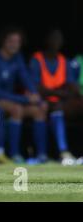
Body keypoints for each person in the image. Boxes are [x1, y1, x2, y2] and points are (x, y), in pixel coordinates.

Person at [0, 27, 48, 164]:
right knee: (16, 109)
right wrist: (24, 99)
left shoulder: (17, 58)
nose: (14, 44)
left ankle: (42, 155)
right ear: (3, 42)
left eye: (18, 41)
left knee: (39, 110)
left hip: (12, 100)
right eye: (11, 41)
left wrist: (37, 98)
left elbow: (26, 78)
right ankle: (10, 154)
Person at [29, 29, 78, 165]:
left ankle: (65, 153)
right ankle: (42, 154)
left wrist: (64, 93)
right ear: (47, 41)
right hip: (41, 101)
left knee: (60, 108)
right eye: (53, 38)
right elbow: (36, 87)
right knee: (43, 109)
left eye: (59, 39)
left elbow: (71, 85)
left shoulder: (63, 60)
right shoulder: (37, 59)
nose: (56, 42)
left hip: (60, 102)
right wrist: (58, 93)